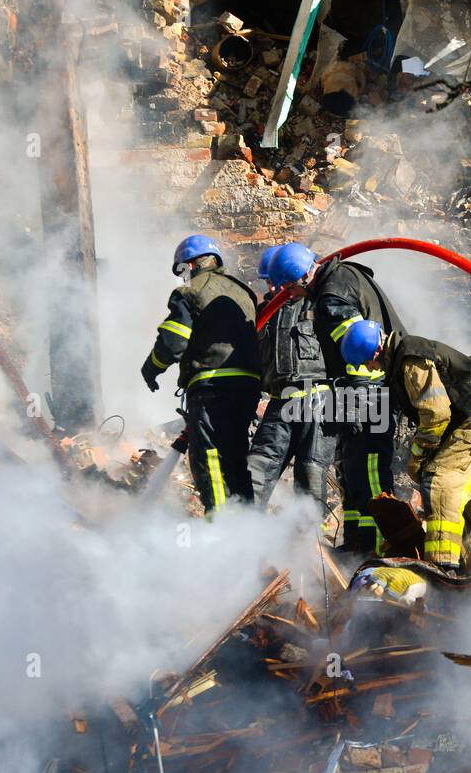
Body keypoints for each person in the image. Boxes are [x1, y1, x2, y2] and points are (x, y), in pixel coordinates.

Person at [341, 319, 471, 570]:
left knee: (441, 482)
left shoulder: (410, 358)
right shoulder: (405, 356)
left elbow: (436, 413)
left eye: (368, 363)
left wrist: (419, 455)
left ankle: (443, 566)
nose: (371, 368)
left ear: (376, 351)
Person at [266, 242, 406, 554]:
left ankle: (377, 546)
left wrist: (355, 403)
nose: (288, 295)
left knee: (369, 469)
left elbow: (361, 351)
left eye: (288, 288)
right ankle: (357, 542)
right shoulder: (346, 276)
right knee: (353, 469)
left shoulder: (332, 298)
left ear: (301, 278)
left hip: (368, 394)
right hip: (369, 390)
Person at [141, 234, 261, 512]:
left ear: (190, 265)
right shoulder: (243, 292)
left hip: (211, 386)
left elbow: (173, 341)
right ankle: (248, 527)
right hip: (247, 388)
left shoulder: (190, 291)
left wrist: (152, 368)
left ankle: (219, 528)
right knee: (236, 457)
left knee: (209, 458)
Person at [246, 245, 339, 508]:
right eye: (269, 282)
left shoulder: (321, 304)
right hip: (280, 403)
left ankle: (310, 543)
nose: (275, 289)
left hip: (319, 400)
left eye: (280, 283)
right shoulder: (264, 314)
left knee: (310, 473)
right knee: (257, 467)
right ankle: (240, 533)